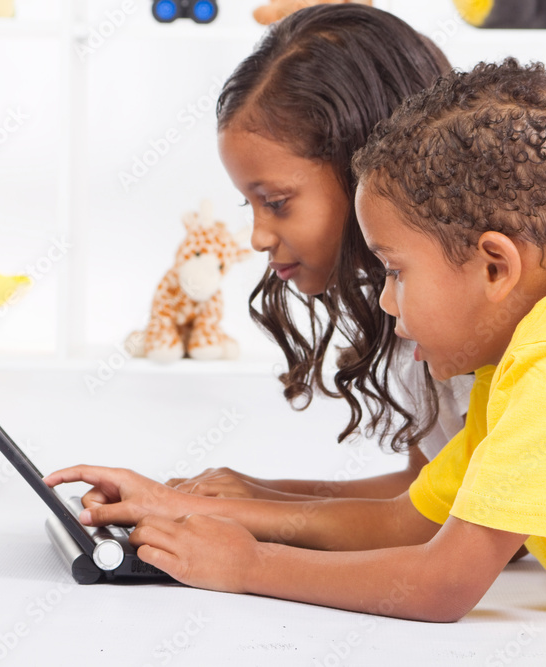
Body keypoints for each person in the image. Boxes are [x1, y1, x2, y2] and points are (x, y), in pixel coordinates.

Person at [47, 58, 546, 625]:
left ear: (496, 266)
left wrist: (249, 565)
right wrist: (195, 509)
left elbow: (441, 582)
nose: (382, 297)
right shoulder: (530, 360)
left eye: (396, 270)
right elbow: (411, 520)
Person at [164, 3, 474, 505]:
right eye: (251, 205)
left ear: (366, 169)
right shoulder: (406, 302)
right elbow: (431, 495)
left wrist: (258, 519)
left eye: (277, 203)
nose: (257, 237)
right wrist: (248, 496)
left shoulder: (476, 312)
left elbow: (460, 525)